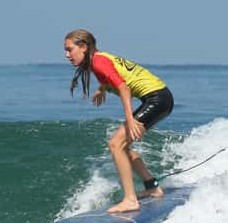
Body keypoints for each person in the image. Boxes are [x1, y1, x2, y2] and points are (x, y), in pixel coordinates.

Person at [64, 29, 174, 213]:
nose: (67, 55)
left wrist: (130, 119)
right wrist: (102, 88)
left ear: (83, 47)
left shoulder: (98, 62)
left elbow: (123, 87)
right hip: (160, 97)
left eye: (69, 49)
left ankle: (130, 200)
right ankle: (153, 188)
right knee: (123, 147)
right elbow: (116, 75)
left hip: (157, 99)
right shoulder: (98, 58)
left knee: (115, 144)